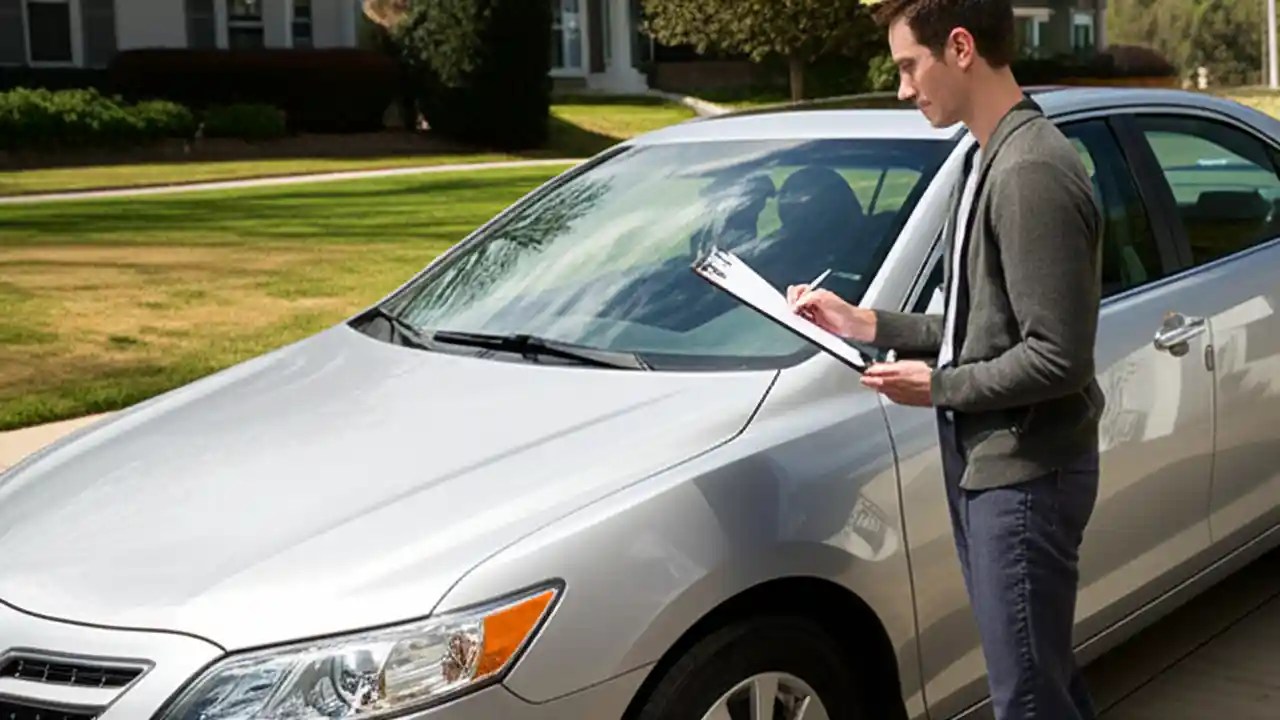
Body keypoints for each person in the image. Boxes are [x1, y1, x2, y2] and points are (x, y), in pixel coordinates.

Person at [788, 1, 1105, 719]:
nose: (903, 88)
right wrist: (865, 321)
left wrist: (938, 387)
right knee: (1042, 683)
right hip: (995, 466)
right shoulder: (985, 157)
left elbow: (1059, 358)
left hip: (1025, 476)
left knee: (1025, 697)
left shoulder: (1030, 170)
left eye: (909, 65)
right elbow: (980, 326)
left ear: (960, 47)